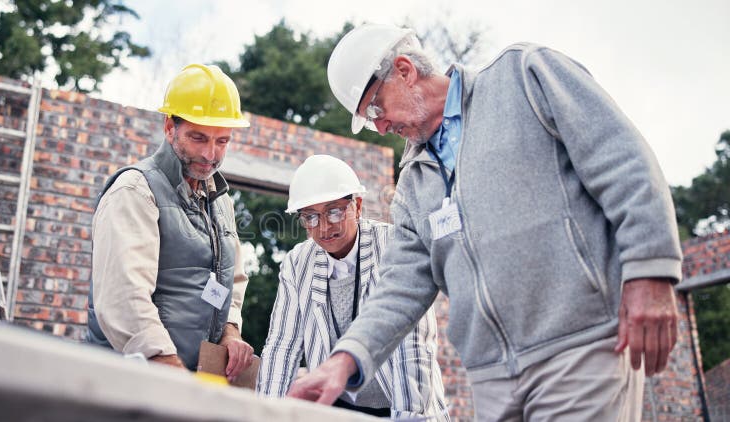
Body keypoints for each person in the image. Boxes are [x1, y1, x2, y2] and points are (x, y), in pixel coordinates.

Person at [287, 23, 683, 421]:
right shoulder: (414, 183)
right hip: (493, 381)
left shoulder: (524, 77)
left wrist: (651, 270)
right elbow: (399, 286)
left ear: (405, 70)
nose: (381, 126)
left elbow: (622, 161)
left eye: (375, 108)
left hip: (578, 349)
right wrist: (346, 359)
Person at [86, 64, 255, 381]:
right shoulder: (135, 191)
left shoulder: (220, 201)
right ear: (169, 128)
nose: (210, 154)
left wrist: (230, 331)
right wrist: (172, 374)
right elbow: (124, 298)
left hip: (186, 381)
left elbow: (230, 281)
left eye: (222, 141)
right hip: (130, 381)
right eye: (198, 137)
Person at [257, 155, 448, 419]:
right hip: (338, 409)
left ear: (357, 206)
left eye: (334, 211)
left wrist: (409, 417)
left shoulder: (394, 246)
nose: (323, 226)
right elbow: (282, 346)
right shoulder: (297, 263)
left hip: (399, 404)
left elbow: (412, 345)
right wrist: (267, 414)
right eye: (310, 217)